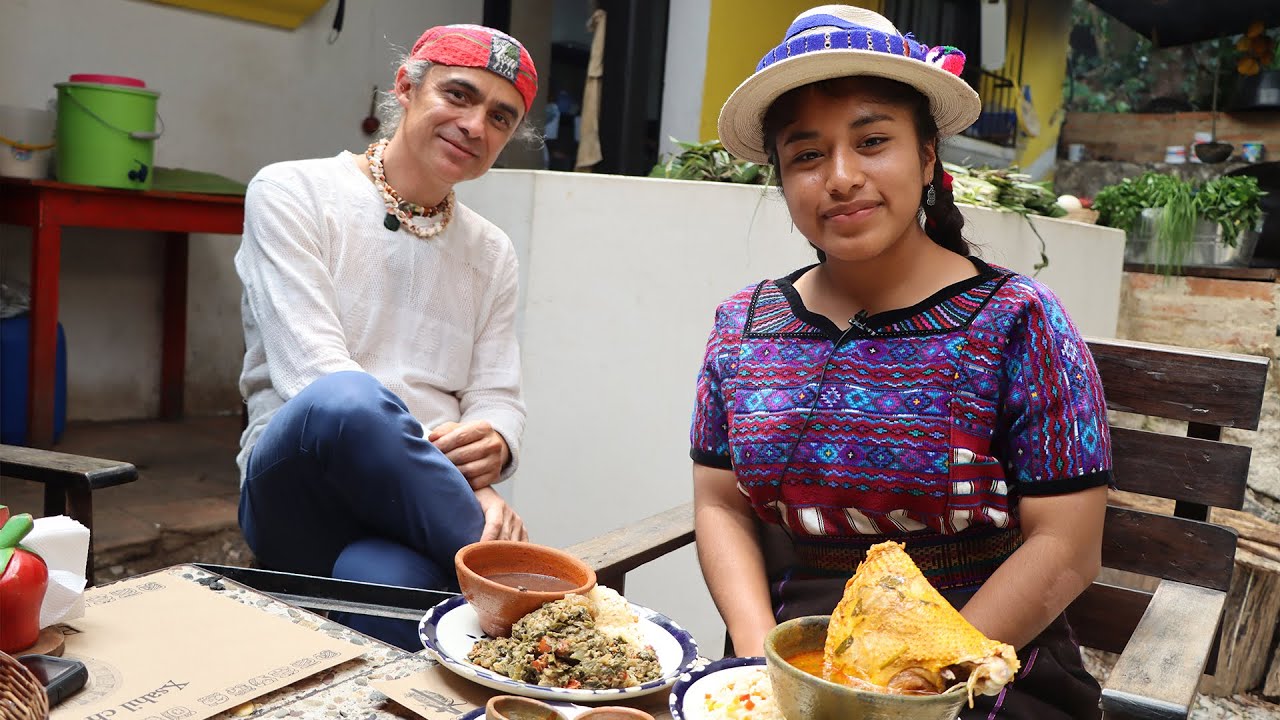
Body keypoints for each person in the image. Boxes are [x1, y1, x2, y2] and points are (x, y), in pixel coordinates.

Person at [689, 7, 1110, 718]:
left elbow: (1067, 545)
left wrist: (909, 688)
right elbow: (720, 503)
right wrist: (763, 662)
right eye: (807, 155)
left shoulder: (1018, 320)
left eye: (873, 140)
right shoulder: (742, 326)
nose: (841, 177)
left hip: (982, 657)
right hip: (795, 652)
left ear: (927, 156)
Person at [234, 23, 538, 651]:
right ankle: (542, 607)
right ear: (405, 87)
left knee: (382, 586)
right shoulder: (291, 192)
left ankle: (517, 651)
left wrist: (496, 440)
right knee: (346, 399)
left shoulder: (492, 251)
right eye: (458, 95)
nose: (474, 126)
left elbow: (498, 395)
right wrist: (473, 489)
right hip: (301, 485)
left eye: (500, 117)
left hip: (413, 514)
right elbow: (314, 376)